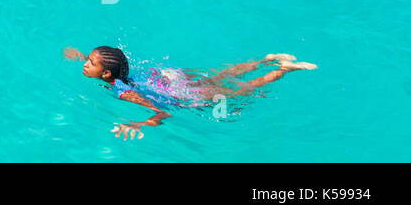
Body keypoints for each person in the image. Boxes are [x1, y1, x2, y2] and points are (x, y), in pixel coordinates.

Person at [63, 45, 317, 140]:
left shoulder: (122, 91)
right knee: (219, 75)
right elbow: (104, 60)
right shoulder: (116, 72)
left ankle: (285, 70)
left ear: (107, 75)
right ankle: (268, 58)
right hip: (168, 78)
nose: (86, 63)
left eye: (90, 62)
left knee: (239, 92)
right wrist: (78, 55)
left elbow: (161, 112)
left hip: (180, 95)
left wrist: (142, 124)